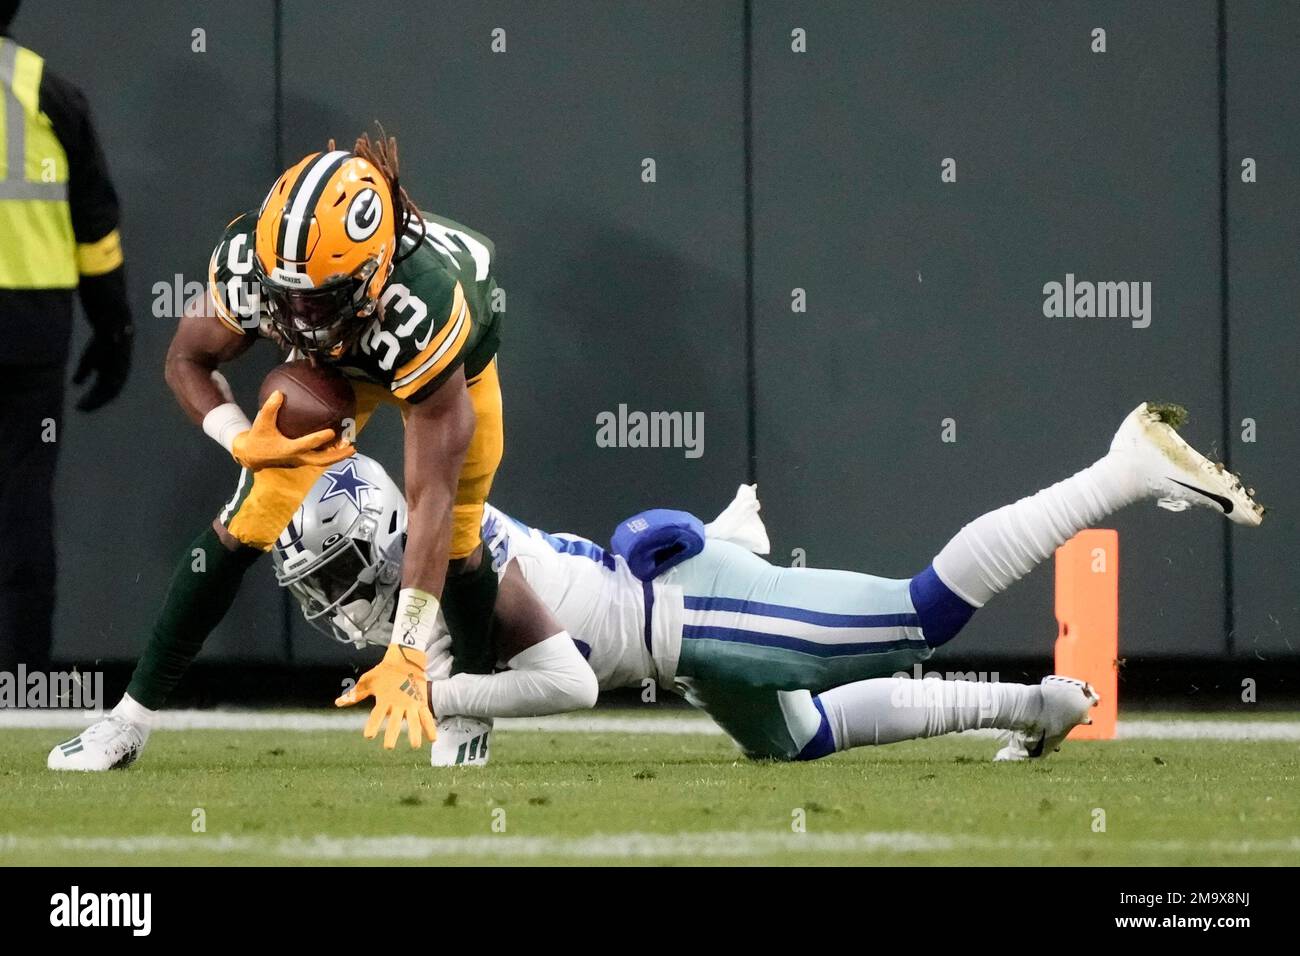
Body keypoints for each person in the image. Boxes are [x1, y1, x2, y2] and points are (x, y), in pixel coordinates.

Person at [50, 402, 1263, 770]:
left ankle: (1117, 465)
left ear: (381, 544)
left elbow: (564, 677)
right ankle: (1039, 708)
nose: (324, 596)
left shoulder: (467, 560)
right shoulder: (444, 555)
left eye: (333, 572)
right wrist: (454, 709)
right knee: (793, 744)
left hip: (687, 614)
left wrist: (455, 697)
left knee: (913, 614)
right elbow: (483, 679)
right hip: (680, 628)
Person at [60, 131, 565, 751]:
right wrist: (239, 438)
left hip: (445, 365)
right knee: (246, 520)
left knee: (459, 533)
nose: (300, 318)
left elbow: (428, 496)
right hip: (337, 372)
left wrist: (407, 649)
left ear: (376, 270)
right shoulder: (251, 261)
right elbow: (186, 359)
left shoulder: (423, 305)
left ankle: (467, 708)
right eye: (287, 296)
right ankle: (129, 719)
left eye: (320, 299)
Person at [0, 1, 132, 673]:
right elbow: (96, 229)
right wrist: (114, 327)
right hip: (31, 329)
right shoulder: (47, 92)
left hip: (33, 328)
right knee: (22, 501)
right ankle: (19, 682)